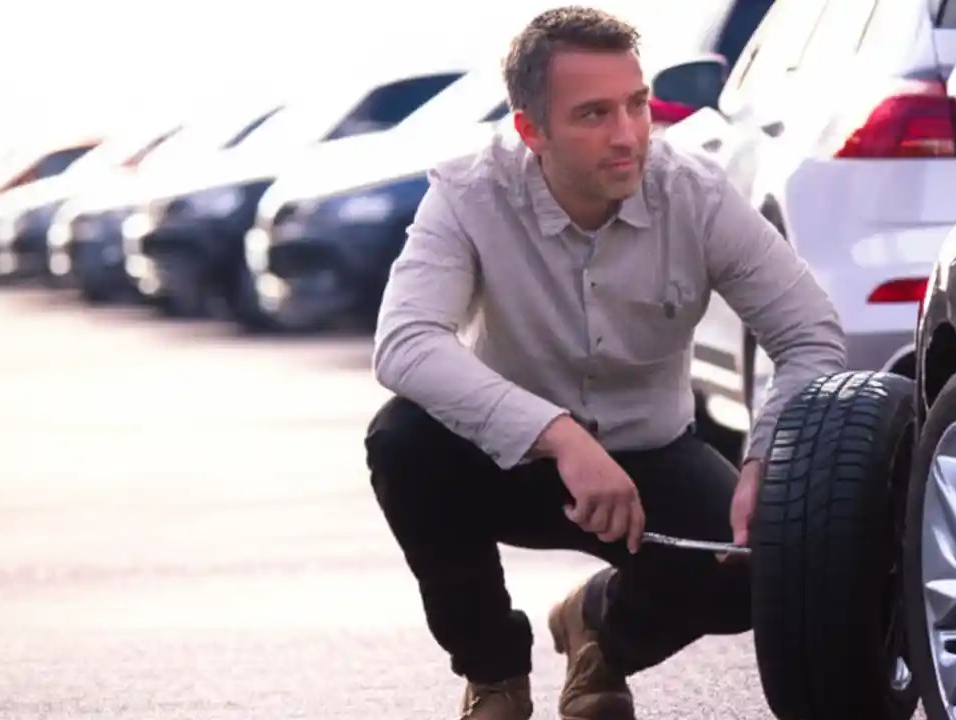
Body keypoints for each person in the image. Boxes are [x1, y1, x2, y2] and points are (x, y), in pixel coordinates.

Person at [363, 6, 846, 719]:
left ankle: (600, 635)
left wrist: (766, 460)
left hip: (649, 457)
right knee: (400, 442)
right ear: (531, 131)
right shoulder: (469, 194)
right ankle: (494, 672)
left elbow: (811, 334)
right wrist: (559, 436)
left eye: (637, 105)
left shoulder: (698, 193)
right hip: (503, 458)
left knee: (757, 569)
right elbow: (405, 342)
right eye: (593, 114)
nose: (627, 136)